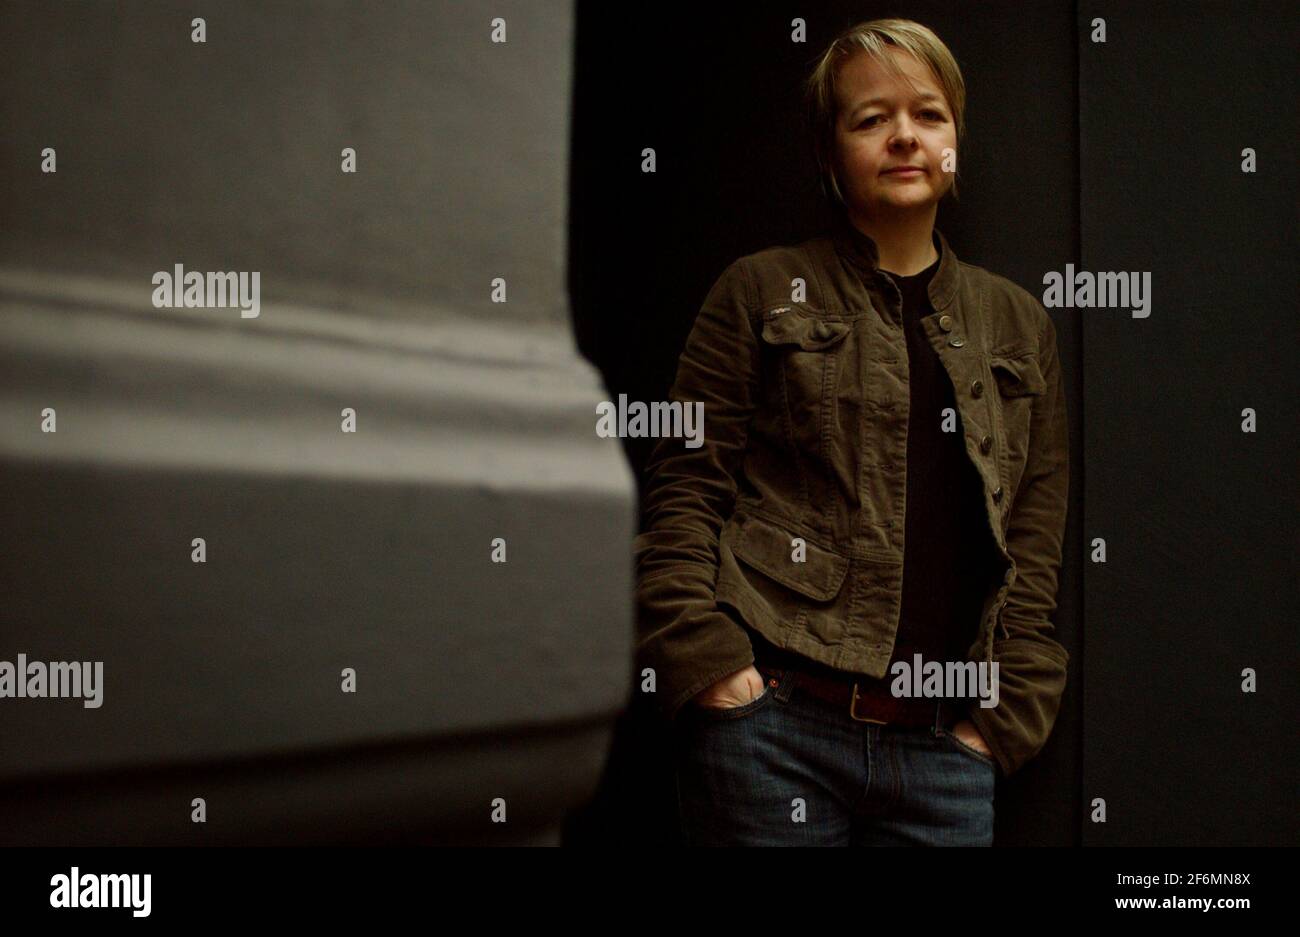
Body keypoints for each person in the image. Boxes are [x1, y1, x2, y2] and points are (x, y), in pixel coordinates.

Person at [633, 18, 1070, 846]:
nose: (904, 135)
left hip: (947, 752)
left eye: (928, 115)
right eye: (870, 119)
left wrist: (1000, 723)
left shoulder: (1018, 324)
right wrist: (714, 671)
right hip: (775, 733)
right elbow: (685, 488)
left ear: (955, 142)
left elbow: (1035, 542)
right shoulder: (760, 288)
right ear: (831, 156)